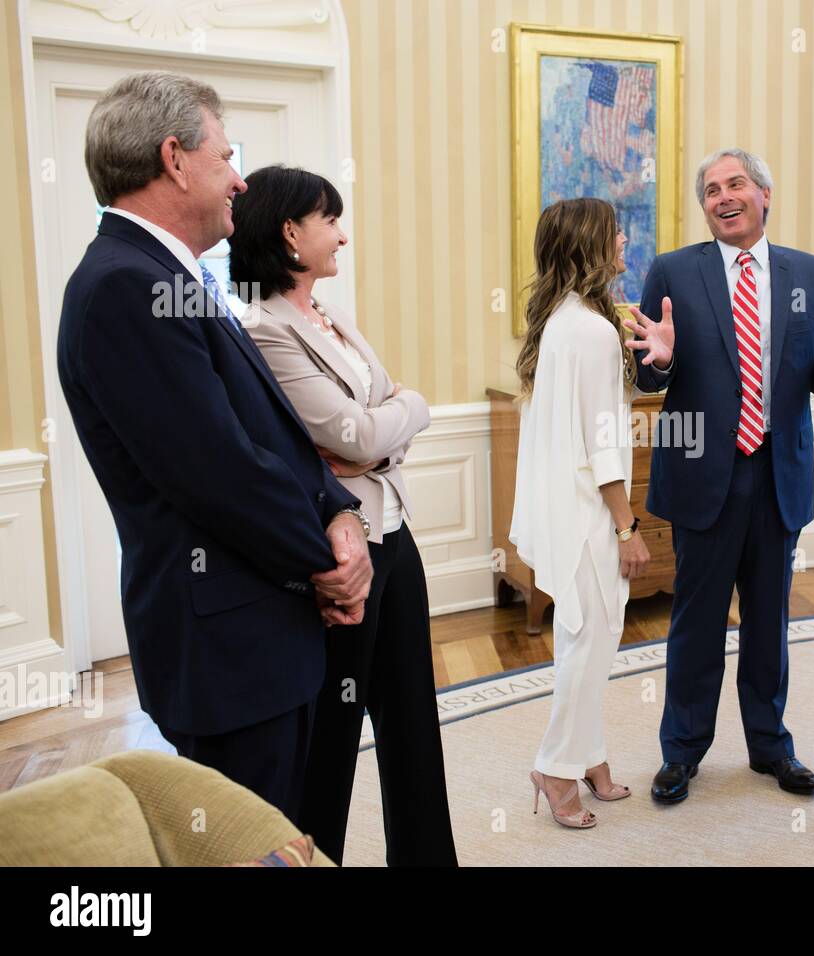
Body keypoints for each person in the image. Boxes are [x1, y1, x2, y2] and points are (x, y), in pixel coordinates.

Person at [56, 72, 372, 825]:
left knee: (292, 832)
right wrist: (327, 561)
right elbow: (218, 472)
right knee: (249, 841)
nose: (239, 179)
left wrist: (340, 512)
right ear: (175, 158)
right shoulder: (124, 287)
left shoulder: (172, 275)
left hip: (261, 627)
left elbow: (271, 431)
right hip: (229, 648)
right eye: (227, 157)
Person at [623, 148, 814, 803]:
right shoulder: (673, 271)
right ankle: (681, 753)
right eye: (710, 190)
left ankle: (770, 747)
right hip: (706, 478)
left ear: (764, 193)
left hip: (777, 477)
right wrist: (662, 363)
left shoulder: (806, 273)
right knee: (696, 624)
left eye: (735, 184)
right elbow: (648, 368)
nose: (723, 197)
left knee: (769, 624)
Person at [230, 165, 458, 866]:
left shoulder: (330, 316)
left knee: (415, 721)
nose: (344, 235)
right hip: (342, 554)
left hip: (396, 534)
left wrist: (389, 428)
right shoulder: (263, 328)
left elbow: (384, 416)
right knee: (334, 732)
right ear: (290, 232)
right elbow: (355, 434)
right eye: (331, 220)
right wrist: (382, 431)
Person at [510, 197, 646, 829]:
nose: (625, 240)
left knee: (584, 640)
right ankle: (556, 768)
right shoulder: (591, 330)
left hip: (565, 506)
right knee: (591, 644)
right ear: (592, 245)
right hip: (590, 511)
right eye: (616, 233)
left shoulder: (564, 320)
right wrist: (626, 526)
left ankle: (588, 756)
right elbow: (601, 442)